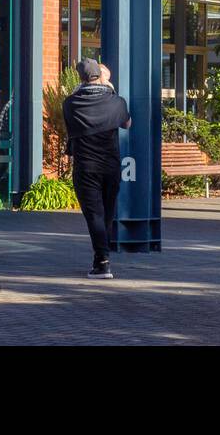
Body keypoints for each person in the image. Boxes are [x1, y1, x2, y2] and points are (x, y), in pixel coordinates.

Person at [63, 58, 131, 279]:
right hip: (111, 165)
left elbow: (70, 123)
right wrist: (110, 91)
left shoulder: (71, 103)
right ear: (99, 77)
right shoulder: (116, 102)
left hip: (86, 167)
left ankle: (102, 262)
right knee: (107, 213)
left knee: (94, 214)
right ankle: (100, 258)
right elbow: (127, 123)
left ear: (81, 78)